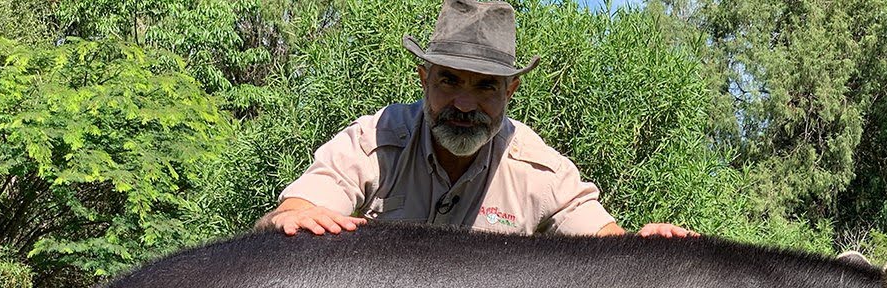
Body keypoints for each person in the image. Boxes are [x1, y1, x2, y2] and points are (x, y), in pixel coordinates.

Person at [255, 0, 694, 239]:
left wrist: (645, 247)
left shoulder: (540, 169)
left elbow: (605, 244)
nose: (464, 104)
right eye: (449, 81)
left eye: (485, 86)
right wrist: (288, 221)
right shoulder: (373, 143)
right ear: (424, 78)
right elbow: (294, 212)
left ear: (511, 90)